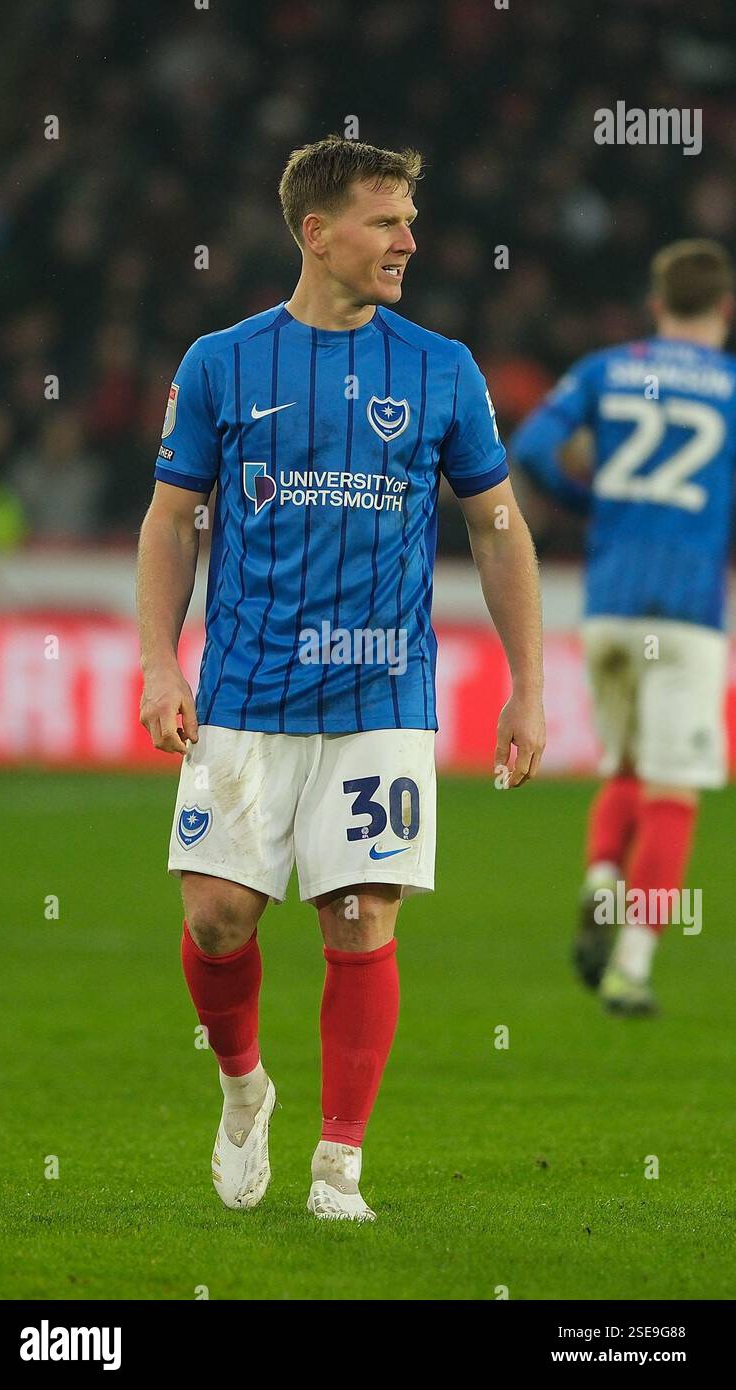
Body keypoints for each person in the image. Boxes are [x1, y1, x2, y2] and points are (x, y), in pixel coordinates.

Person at [137, 134, 545, 1221]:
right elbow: (174, 520)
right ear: (316, 233)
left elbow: (498, 531)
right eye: (384, 219)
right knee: (220, 915)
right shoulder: (221, 362)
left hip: (383, 697)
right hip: (245, 693)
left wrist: (528, 683)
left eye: (410, 218)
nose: (408, 238)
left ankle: (338, 1166)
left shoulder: (441, 367)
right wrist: (153, 659)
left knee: (360, 915)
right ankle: (242, 1085)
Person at [511, 239, 736, 1016]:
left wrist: (593, 505)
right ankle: (631, 969)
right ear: (726, 308)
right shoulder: (732, 389)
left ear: (656, 304)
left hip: (608, 606)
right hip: (688, 613)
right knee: (675, 791)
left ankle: (603, 878)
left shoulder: (608, 369)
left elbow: (533, 448)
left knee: (626, 767)